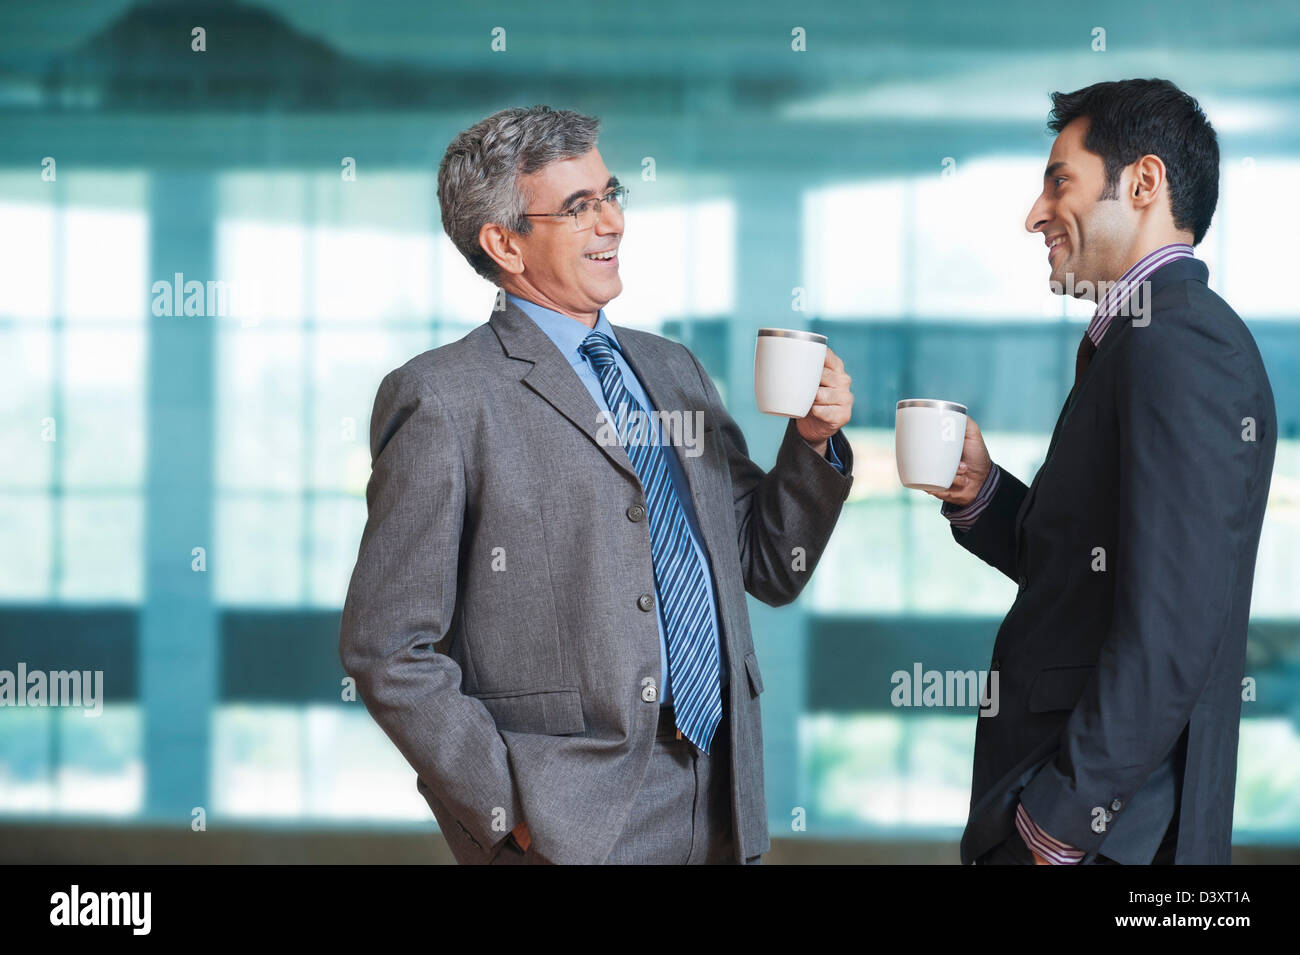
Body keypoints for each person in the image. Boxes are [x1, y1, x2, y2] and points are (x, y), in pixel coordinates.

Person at [338, 105, 855, 864]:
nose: (612, 221)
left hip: (722, 794)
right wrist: (510, 808)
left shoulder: (675, 369)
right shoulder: (444, 399)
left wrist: (812, 444)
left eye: (611, 193)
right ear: (504, 242)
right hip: (568, 817)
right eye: (579, 208)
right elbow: (387, 648)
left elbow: (768, 563)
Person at [930, 79, 1276, 865]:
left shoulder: (1182, 344)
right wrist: (985, 493)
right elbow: (1100, 574)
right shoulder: (1141, 340)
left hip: (1106, 841)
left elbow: (1170, 631)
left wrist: (1051, 827)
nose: (1034, 213)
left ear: (1143, 182)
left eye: (1060, 180)